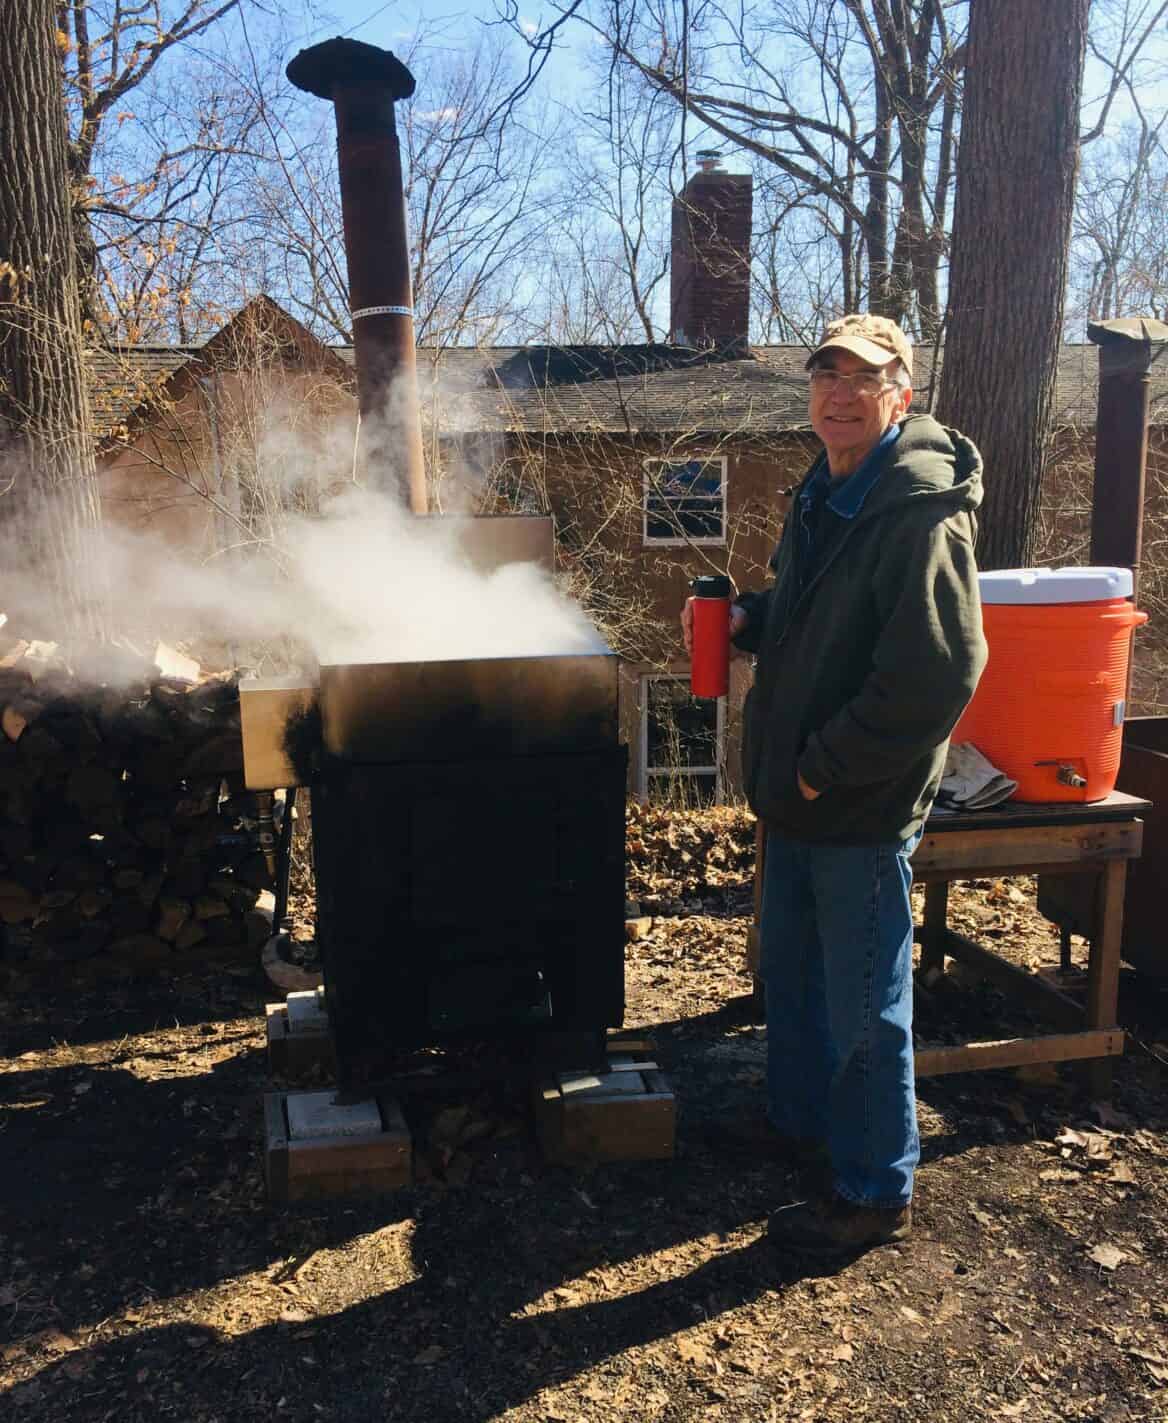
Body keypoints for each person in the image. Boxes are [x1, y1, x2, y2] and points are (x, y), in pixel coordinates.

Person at [681, 313, 987, 1255]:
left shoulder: (917, 510)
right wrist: (751, 621)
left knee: (862, 1002)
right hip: (798, 796)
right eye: (826, 374)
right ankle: (800, 1122)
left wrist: (823, 768)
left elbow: (939, 672)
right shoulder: (827, 488)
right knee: (797, 976)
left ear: (903, 393)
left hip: (853, 802)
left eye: (865, 376)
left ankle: (872, 1188)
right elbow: (813, 615)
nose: (841, 392)